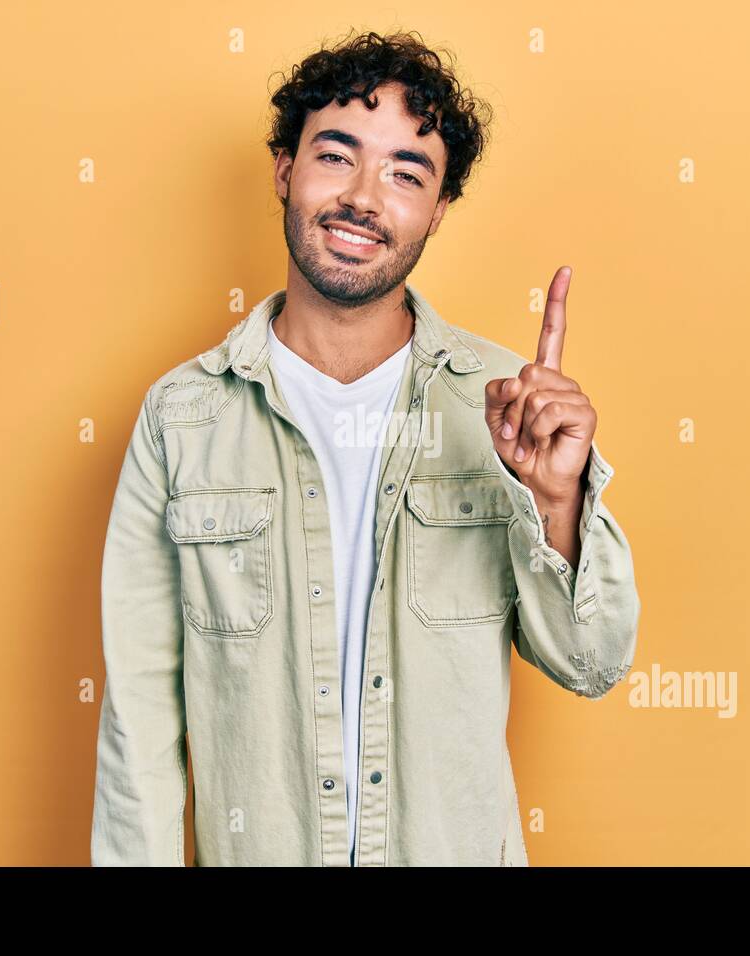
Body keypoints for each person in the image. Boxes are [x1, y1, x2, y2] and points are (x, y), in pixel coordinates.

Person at [91, 29, 640, 867]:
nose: (363, 197)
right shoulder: (181, 418)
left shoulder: (508, 404)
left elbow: (592, 665)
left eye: (406, 174)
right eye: (337, 155)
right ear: (284, 169)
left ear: (439, 208)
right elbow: (139, 722)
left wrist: (556, 503)